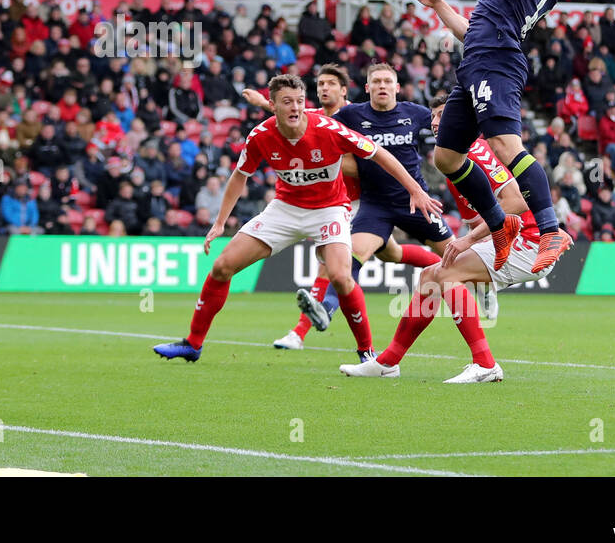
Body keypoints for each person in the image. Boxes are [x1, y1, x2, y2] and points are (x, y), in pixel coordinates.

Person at [152, 73, 443, 365]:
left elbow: (380, 154)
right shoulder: (261, 135)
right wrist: (219, 222)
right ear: (273, 105)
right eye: (287, 102)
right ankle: (193, 344)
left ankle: (367, 352)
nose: (295, 108)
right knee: (222, 266)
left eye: (300, 102)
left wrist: (415, 189)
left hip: (330, 209)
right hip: (285, 209)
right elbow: (240, 176)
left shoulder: (329, 129)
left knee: (342, 277)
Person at [341, 99, 554, 383]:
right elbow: (483, 215)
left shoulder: (477, 148)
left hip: (527, 241)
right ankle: (388, 362)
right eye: (433, 117)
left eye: (444, 115)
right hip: (505, 238)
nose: (435, 122)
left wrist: (468, 241)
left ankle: (485, 363)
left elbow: (516, 201)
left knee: (447, 275)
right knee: (431, 275)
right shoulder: (453, 157)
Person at [245, 62, 448, 351]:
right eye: (320, 85)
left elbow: (444, 124)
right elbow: (295, 115)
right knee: (352, 259)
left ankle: (474, 283)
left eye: (330, 84)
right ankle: (314, 319)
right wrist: (267, 104)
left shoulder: (400, 113)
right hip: (366, 204)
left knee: (400, 254)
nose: (323, 89)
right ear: (367, 87)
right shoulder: (344, 116)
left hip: (394, 200)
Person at [410, 0, 571, 276]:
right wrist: (437, 4)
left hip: (495, 63)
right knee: (447, 158)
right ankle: (500, 225)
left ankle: (550, 231)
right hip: (478, 61)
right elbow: (471, 32)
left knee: (505, 146)